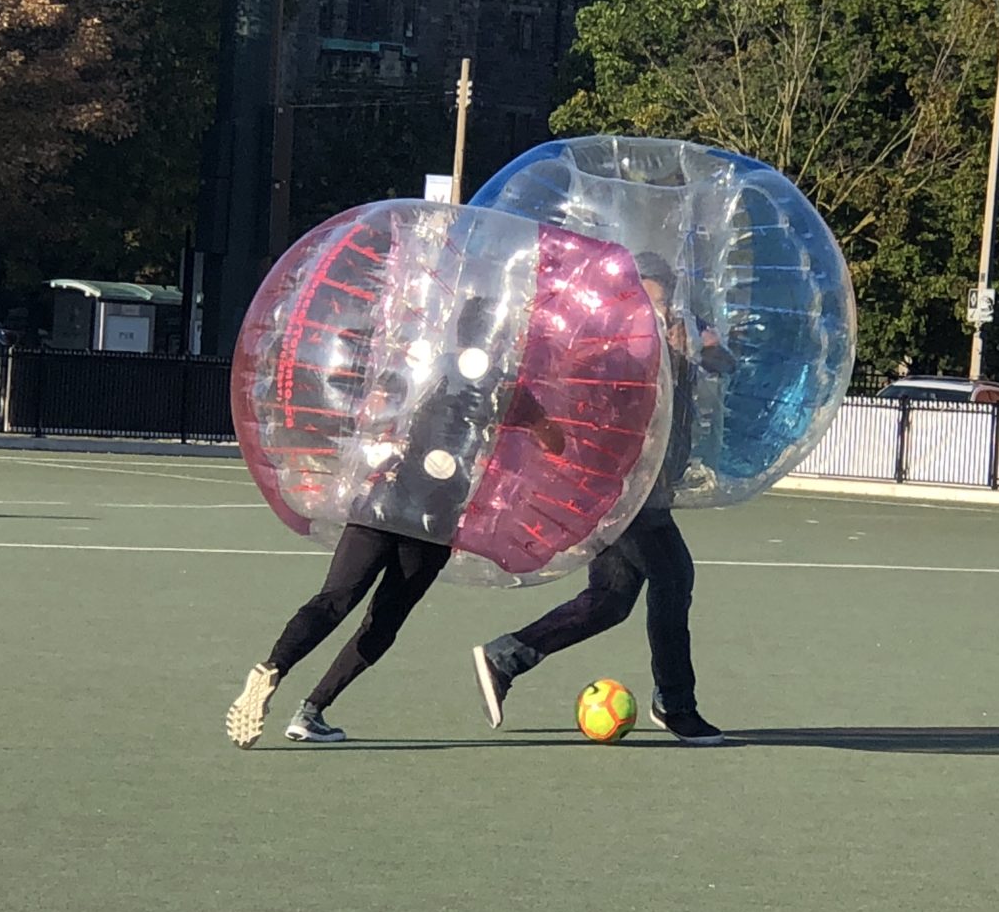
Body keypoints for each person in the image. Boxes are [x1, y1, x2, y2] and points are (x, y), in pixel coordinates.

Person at [226, 299, 564, 748]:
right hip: (433, 522)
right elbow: (554, 443)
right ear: (497, 339)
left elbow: (376, 413)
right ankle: (311, 710)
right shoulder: (506, 390)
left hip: (381, 502)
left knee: (333, 599)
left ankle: (272, 666)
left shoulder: (423, 368)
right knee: (381, 622)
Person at [470, 252, 736, 746]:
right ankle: (676, 705)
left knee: (608, 602)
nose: (660, 316)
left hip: (650, 493)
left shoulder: (679, 344)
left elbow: (725, 366)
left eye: (665, 305)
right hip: (621, 493)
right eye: (650, 305)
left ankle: (504, 657)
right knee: (674, 578)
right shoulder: (617, 354)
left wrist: (705, 351)